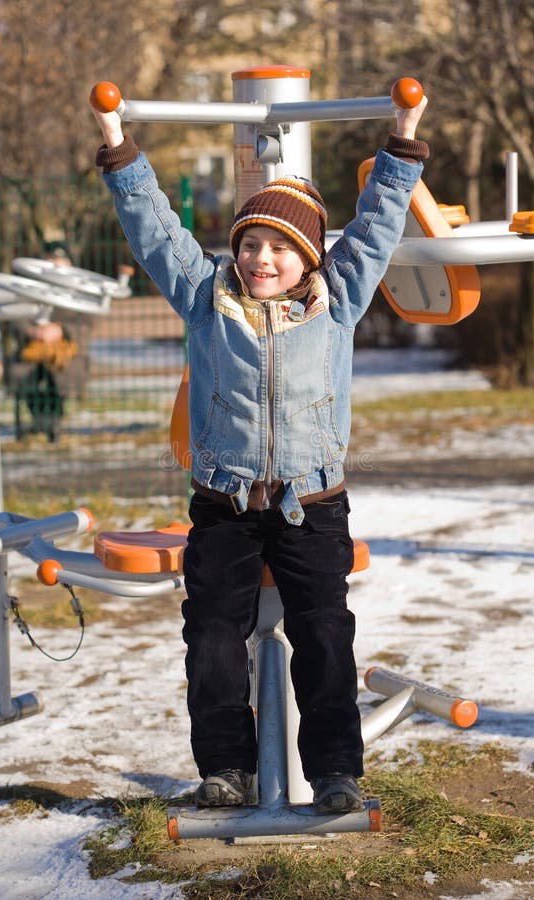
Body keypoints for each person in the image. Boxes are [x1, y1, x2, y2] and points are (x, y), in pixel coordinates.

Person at [92, 85, 428, 814]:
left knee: (325, 635)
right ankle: (226, 771)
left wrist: (402, 141)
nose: (262, 258)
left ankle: (336, 772)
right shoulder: (205, 295)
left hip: (312, 502)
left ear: (308, 257)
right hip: (225, 506)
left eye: (279, 247)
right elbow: (153, 229)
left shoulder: (337, 300)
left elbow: (376, 227)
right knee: (213, 638)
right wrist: (118, 145)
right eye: (250, 243)